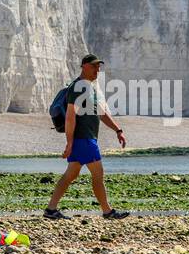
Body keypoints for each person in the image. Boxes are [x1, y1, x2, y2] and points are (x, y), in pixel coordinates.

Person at [44, 54, 129, 220]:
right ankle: (107, 211)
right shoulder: (78, 87)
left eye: (99, 67)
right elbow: (70, 116)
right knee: (98, 174)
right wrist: (69, 142)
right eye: (94, 66)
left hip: (85, 139)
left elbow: (102, 114)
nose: (97, 69)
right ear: (84, 66)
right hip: (83, 139)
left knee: (71, 174)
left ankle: (50, 209)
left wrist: (118, 130)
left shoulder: (90, 88)